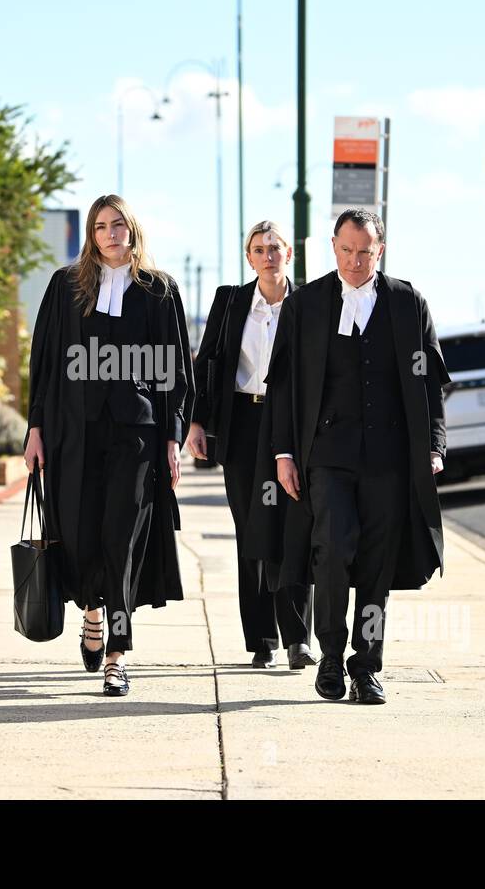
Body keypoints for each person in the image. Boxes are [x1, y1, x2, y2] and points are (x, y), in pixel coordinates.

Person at [266, 207, 450, 704]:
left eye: (364, 251)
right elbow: (282, 385)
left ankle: (366, 667)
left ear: (379, 250)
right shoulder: (305, 306)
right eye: (346, 250)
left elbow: (430, 384)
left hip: (390, 458)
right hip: (326, 454)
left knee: (375, 564)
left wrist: (434, 446)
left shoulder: (408, 304)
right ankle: (329, 656)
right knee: (330, 552)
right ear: (333, 246)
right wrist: (283, 453)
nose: (354, 260)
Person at [23, 193, 193, 697]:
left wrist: (173, 437)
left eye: (119, 224)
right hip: (71, 433)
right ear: (92, 236)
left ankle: (117, 653)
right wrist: (34, 429)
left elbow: (176, 371)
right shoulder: (64, 287)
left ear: (133, 230)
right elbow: (45, 363)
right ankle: (91, 613)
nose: (110, 233)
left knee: (123, 538)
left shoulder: (159, 292)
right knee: (78, 533)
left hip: (135, 435)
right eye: (100, 226)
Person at [188, 220, 316, 670]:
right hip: (243, 422)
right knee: (251, 531)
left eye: (275, 248)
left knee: (293, 528)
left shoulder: (309, 304)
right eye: (259, 249)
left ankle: (299, 637)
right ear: (249, 257)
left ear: (289, 255)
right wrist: (197, 422)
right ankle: (261, 638)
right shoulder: (231, 301)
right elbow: (207, 366)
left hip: (292, 428)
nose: (268, 256)